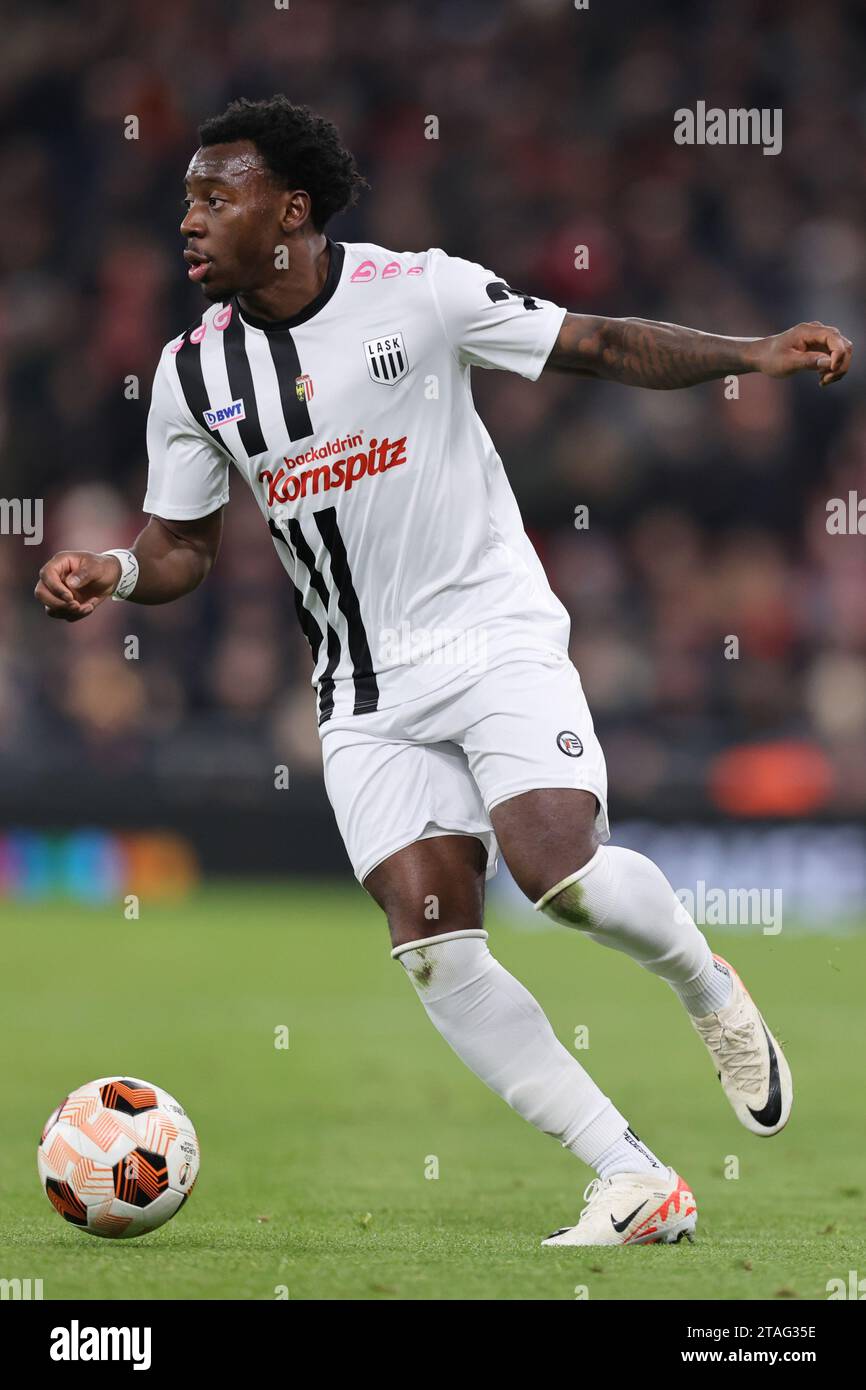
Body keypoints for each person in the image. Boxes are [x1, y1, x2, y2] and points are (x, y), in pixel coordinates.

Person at [35, 96, 853, 1246]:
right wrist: (114, 571)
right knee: (430, 936)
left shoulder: (416, 292)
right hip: (360, 693)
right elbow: (183, 547)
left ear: (291, 209)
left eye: (217, 197)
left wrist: (750, 355)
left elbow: (596, 343)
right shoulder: (190, 373)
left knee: (556, 872)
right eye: (187, 197)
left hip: (490, 634)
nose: (191, 219)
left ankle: (703, 984)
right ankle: (630, 1177)